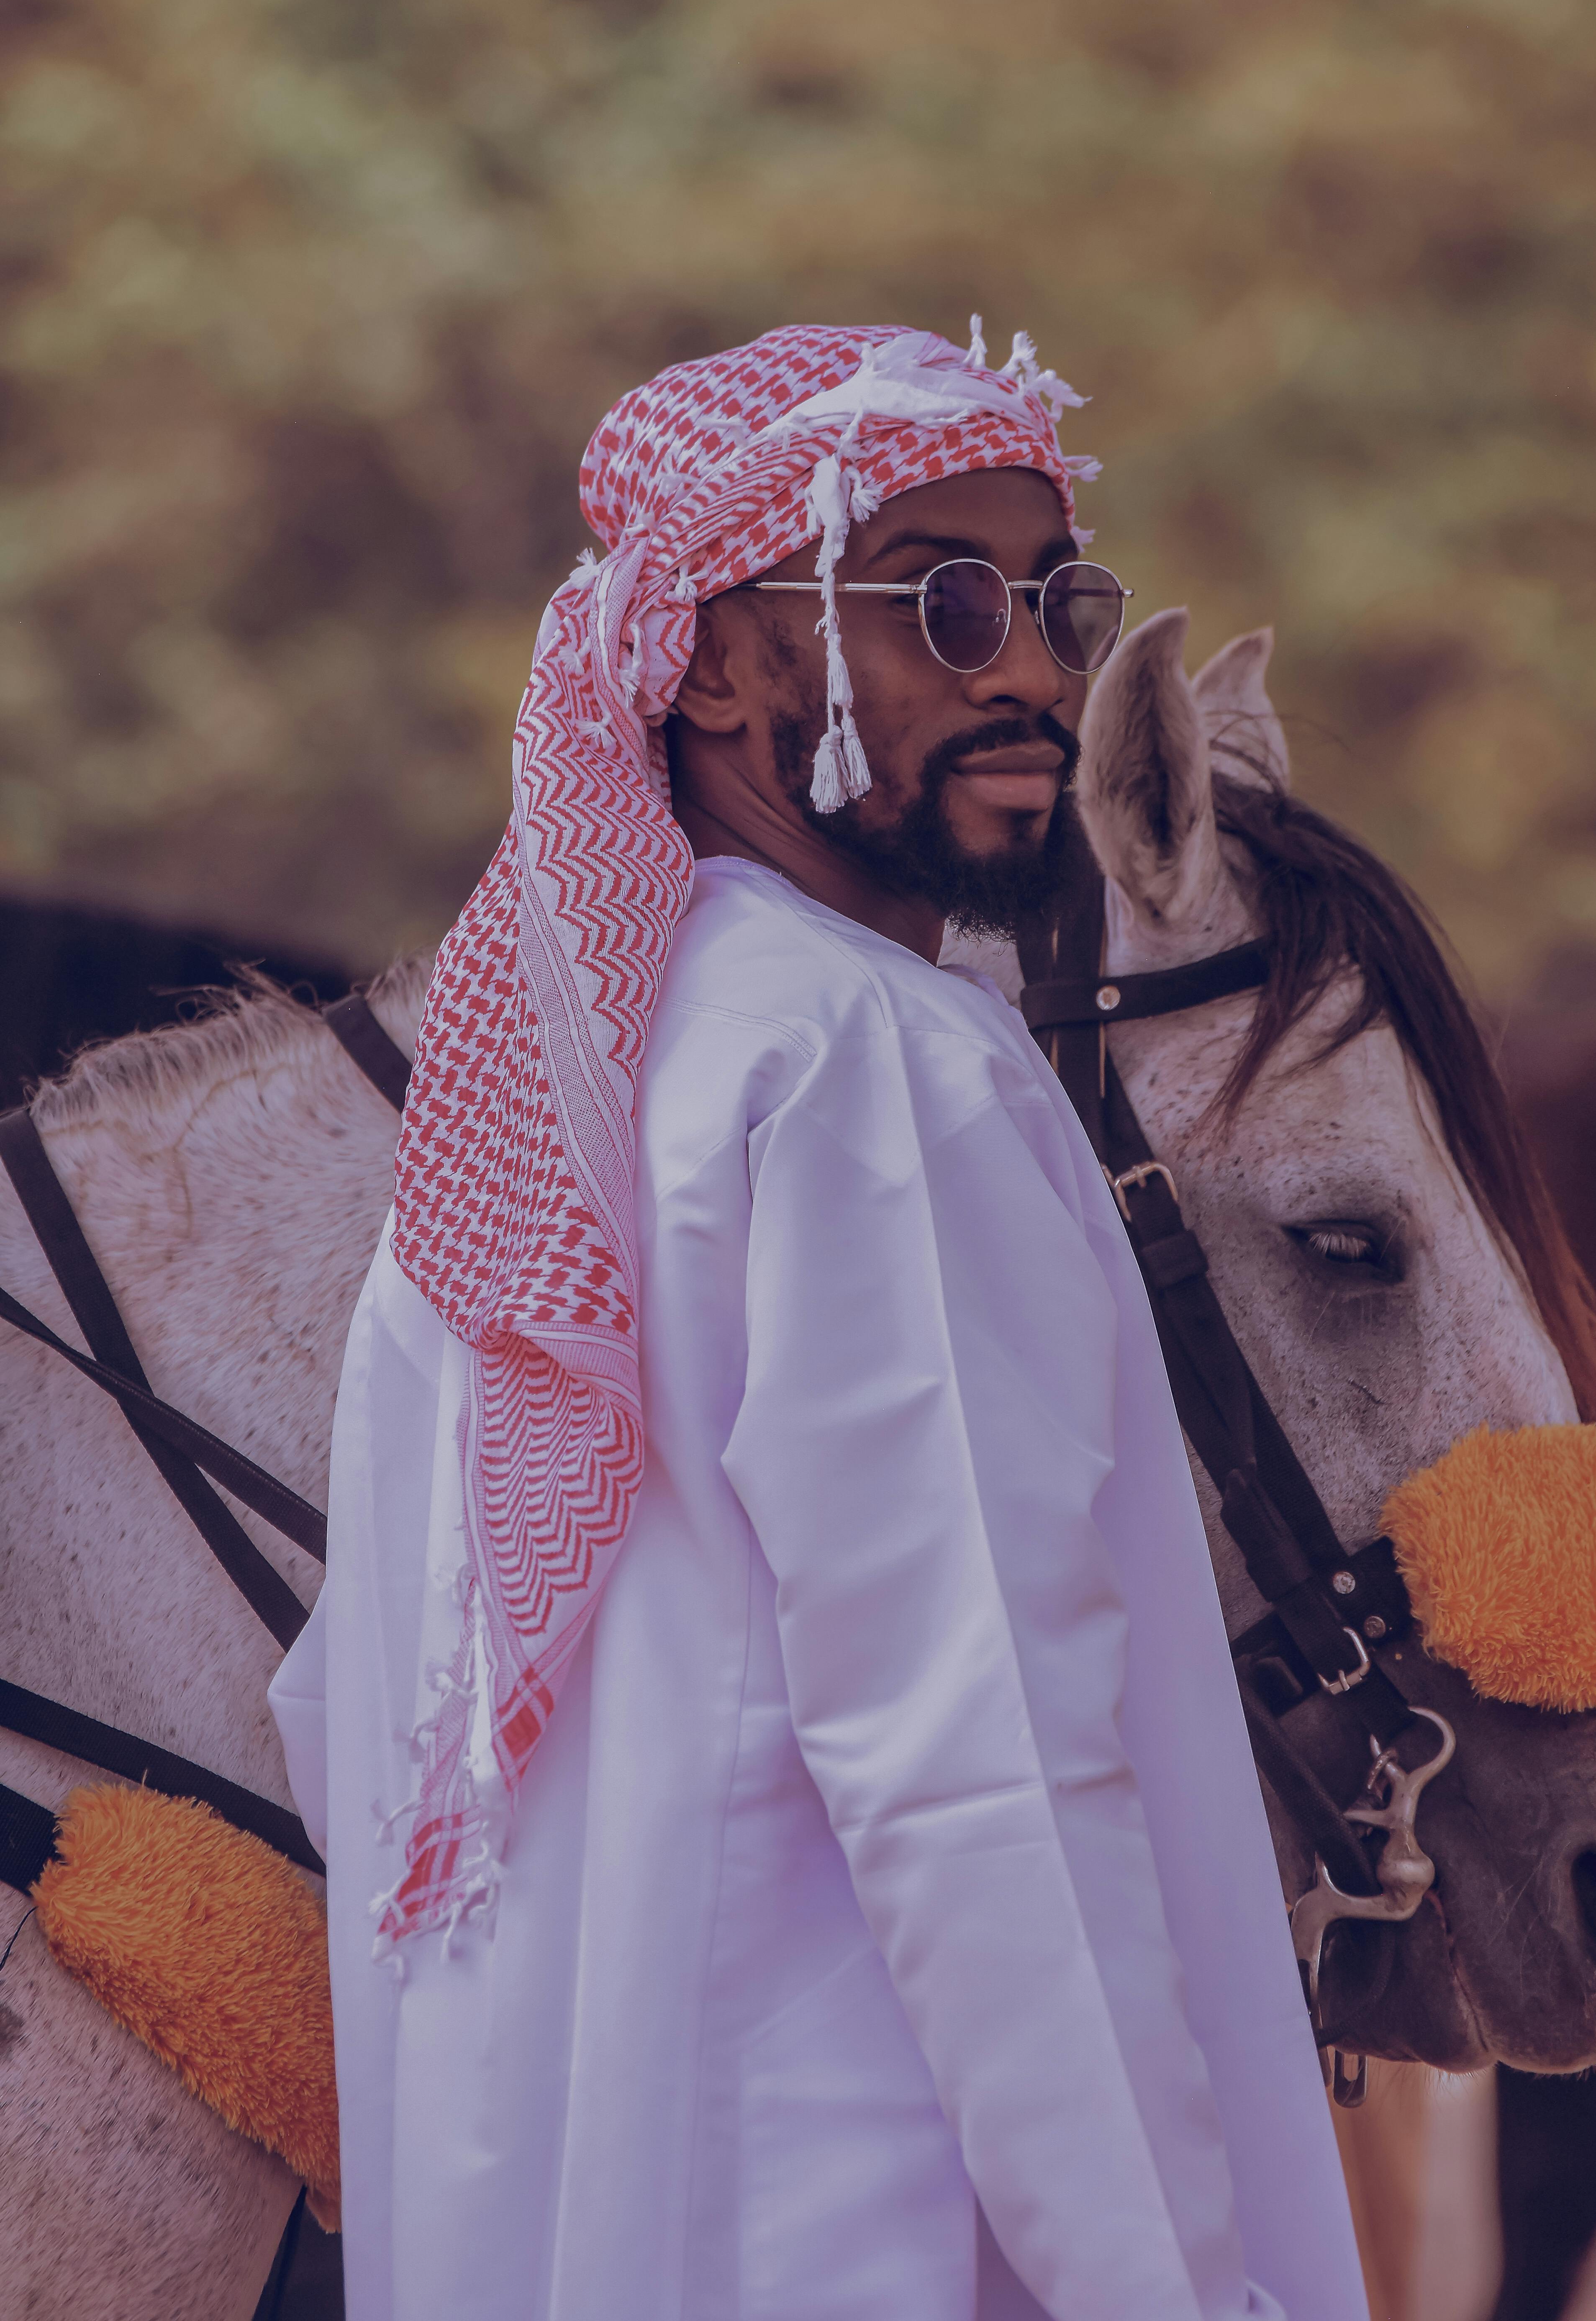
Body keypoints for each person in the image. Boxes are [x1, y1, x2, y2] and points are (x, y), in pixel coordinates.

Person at [269, 322, 1367, 2321]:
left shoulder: (596, 1087)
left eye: (1051, 602)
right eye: (938, 604)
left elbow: (350, 1733)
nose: (1028, 674)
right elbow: (985, 1779)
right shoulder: (863, 1068)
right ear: (707, 663)